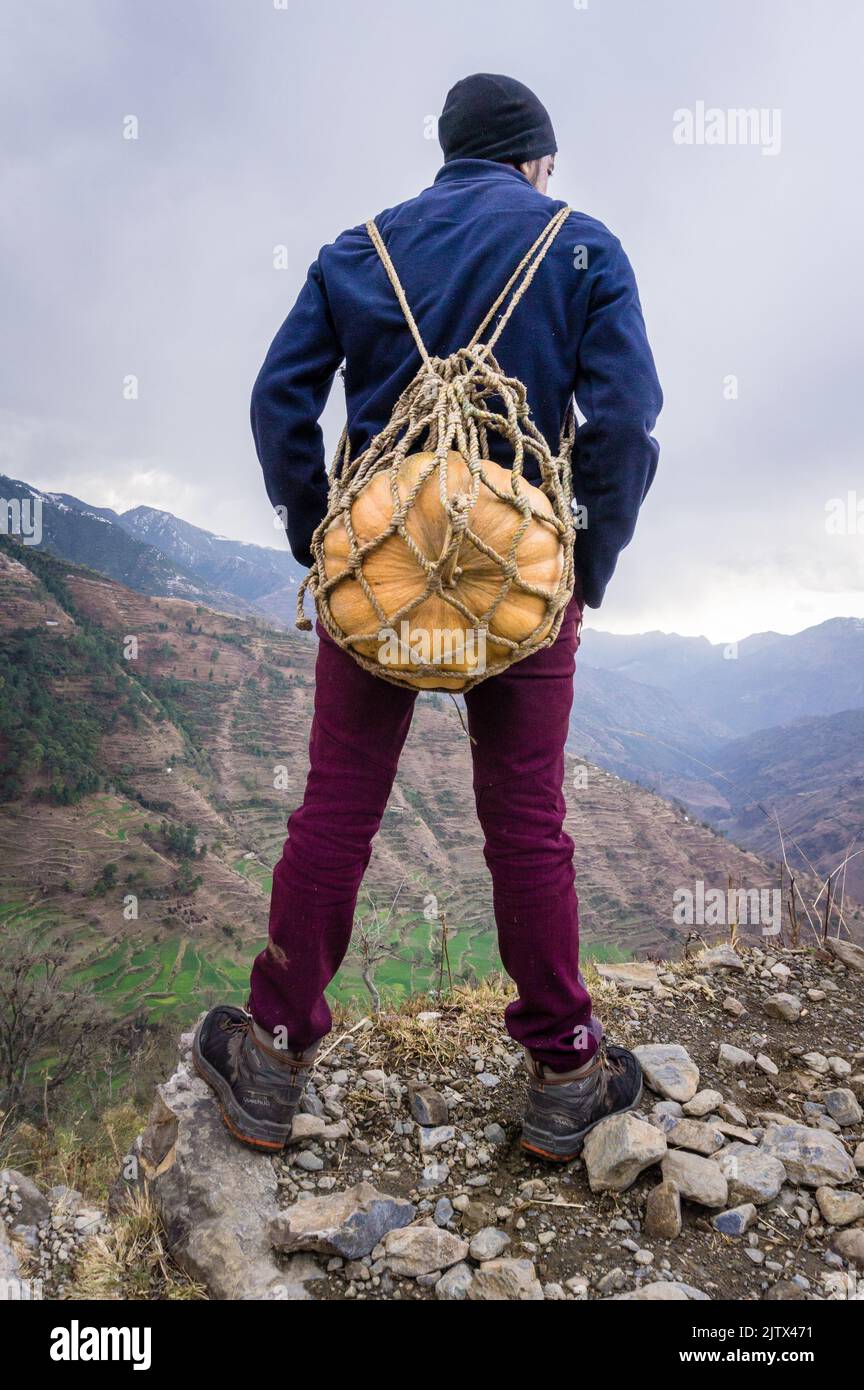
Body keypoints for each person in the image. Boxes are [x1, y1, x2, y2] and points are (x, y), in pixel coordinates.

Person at [194, 73, 663, 1162]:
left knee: (338, 810)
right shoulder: (582, 245)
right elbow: (625, 423)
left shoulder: (357, 250)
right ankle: (563, 1065)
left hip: (385, 573)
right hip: (519, 579)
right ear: (533, 160)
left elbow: (280, 404)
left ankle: (270, 1055)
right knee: (527, 819)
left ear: (448, 154)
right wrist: (583, 563)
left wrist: (326, 539)